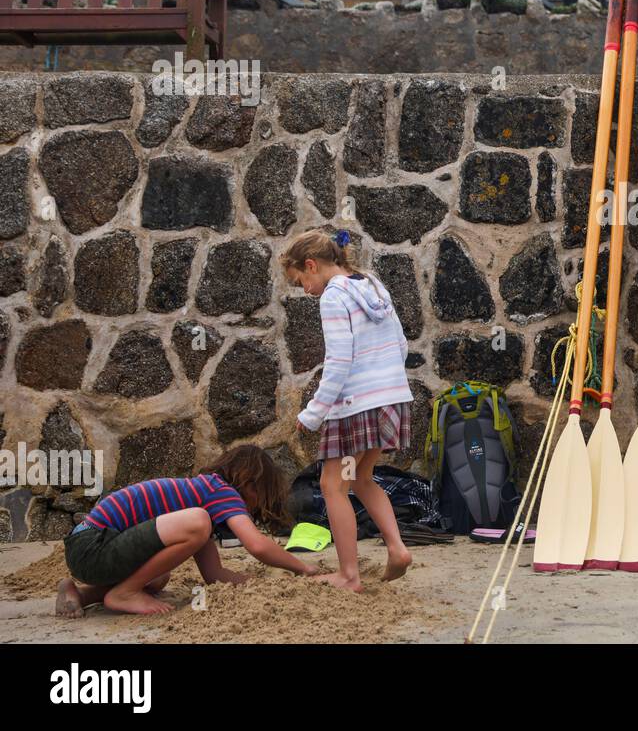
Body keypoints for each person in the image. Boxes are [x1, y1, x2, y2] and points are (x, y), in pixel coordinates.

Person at [280, 228, 413, 591]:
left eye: (301, 280)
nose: (305, 290)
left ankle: (348, 575)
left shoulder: (333, 297)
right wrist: (385, 383)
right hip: (391, 399)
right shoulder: (372, 285)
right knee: (361, 478)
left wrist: (313, 413)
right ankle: (397, 549)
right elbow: (401, 345)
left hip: (356, 405)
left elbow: (339, 361)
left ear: (312, 265)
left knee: (331, 485)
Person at [56, 445, 313, 617]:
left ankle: (79, 594)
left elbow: (214, 574)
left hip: (89, 550)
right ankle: (125, 593)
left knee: (159, 577)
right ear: (249, 483)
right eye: (261, 497)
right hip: (93, 545)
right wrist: (303, 568)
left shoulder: (202, 496)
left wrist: (261, 584)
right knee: (198, 521)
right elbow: (256, 545)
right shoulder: (221, 492)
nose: (255, 508)